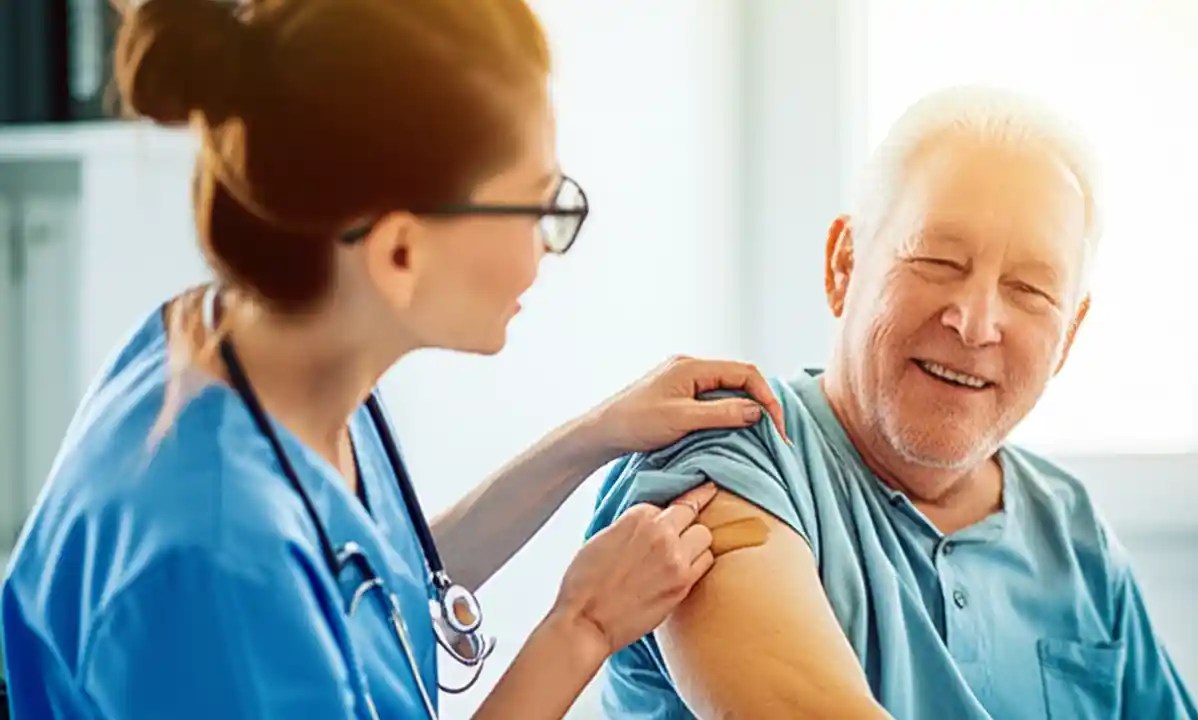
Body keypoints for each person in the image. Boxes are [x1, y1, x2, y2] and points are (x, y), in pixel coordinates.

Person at [0, 0, 790, 718]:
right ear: (399, 250)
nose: (546, 249)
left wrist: (597, 434)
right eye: (537, 207)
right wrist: (581, 626)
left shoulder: (255, 345)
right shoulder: (214, 570)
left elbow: (377, 582)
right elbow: (289, 591)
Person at [588, 86, 1198, 719]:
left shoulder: (1074, 537)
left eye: (1027, 289)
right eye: (938, 260)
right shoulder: (724, 451)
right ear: (843, 265)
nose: (975, 322)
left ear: (1069, 336)